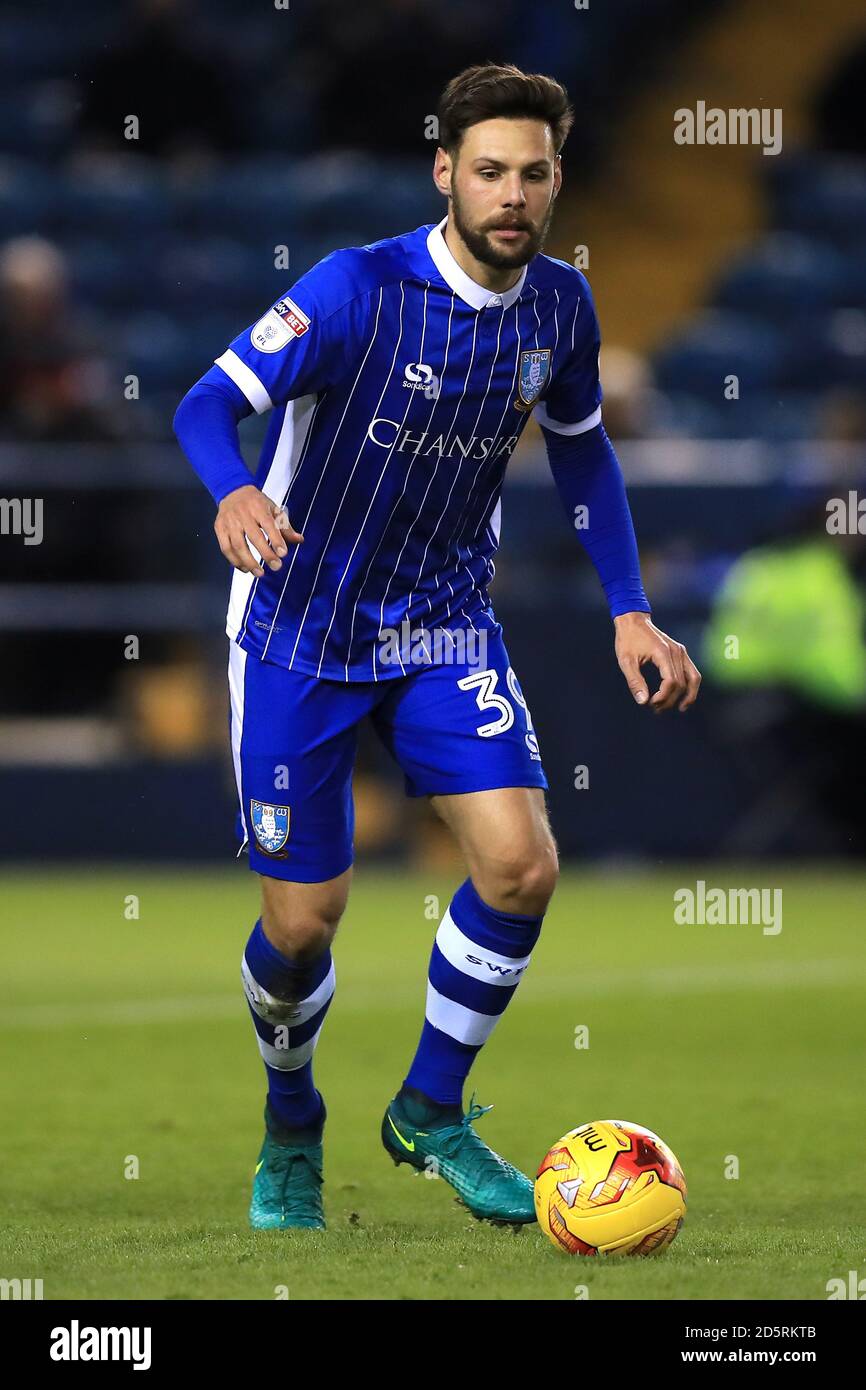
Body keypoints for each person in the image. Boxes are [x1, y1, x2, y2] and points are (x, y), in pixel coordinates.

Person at [174, 63, 701, 1232]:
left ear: (557, 180)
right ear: (444, 175)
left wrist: (626, 605)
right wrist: (230, 495)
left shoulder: (561, 307)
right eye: (487, 172)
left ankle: (429, 1109)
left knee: (520, 866)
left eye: (532, 173)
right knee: (304, 921)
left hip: (442, 624)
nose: (510, 195)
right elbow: (204, 405)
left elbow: (582, 455)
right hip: (298, 628)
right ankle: (291, 1120)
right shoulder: (354, 290)